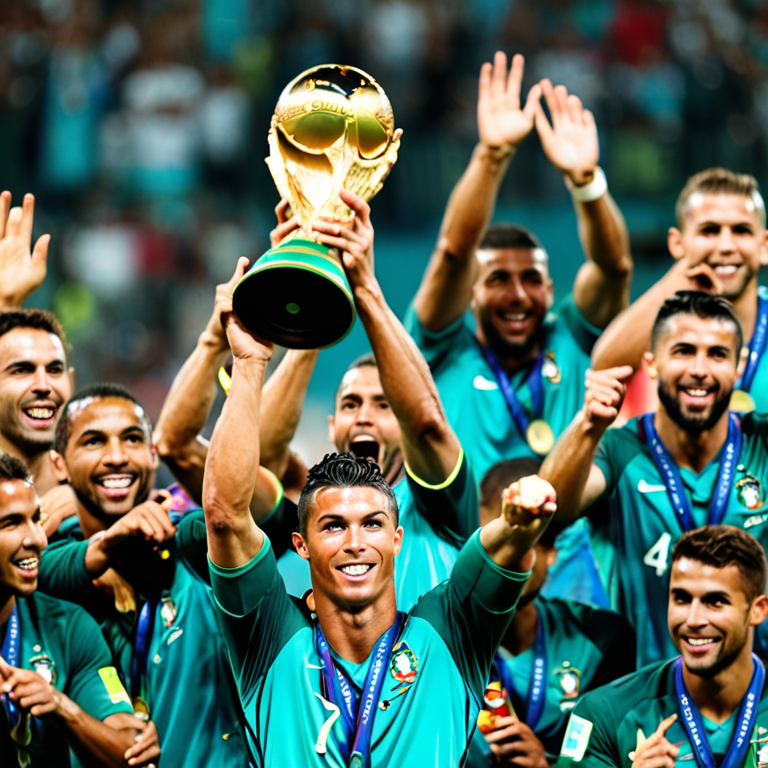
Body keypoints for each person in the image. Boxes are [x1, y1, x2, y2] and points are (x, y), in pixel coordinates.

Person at [200, 282, 559, 767]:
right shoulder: (268, 637)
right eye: (332, 527)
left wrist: (516, 523)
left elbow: (495, 550)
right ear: (301, 545)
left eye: (371, 524)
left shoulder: (449, 634)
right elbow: (224, 515)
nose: (354, 543)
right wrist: (247, 364)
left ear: (396, 539)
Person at [159, 191, 479, 610]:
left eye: (383, 405)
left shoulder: (441, 506)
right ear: (332, 426)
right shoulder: (313, 513)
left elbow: (426, 423)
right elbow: (264, 455)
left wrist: (363, 287)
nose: (363, 417)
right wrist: (311, 291)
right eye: (350, 404)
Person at [406, 51, 633, 478]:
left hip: (567, 544)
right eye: (498, 279)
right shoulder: (439, 347)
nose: (517, 294)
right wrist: (492, 155)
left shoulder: (569, 337)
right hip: (471, 544)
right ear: (470, 294)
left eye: (532, 279)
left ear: (550, 290)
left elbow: (614, 267)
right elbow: (454, 251)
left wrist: (586, 183)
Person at [540, 291, 768, 667]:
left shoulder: (761, 444)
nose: (699, 368)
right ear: (651, 364)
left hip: (756, 709)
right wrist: (587, 425)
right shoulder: (619, 450)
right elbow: (553, 509)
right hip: (645, 704)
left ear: (739, 366)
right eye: (682, 351)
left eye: (717, 354)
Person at [35, 383, 251, 767]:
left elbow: (250, 512)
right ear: (58, 465)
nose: (116, 457)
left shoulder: (194, 544)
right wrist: (106, 544)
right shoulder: (44, 561)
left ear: (152, 455)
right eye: (93, 442)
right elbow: (39, 572)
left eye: (132, 439)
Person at [467, 458, 636, 767]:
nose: (513, 554)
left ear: (554, 550)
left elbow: (616, 756)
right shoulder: (440, 644)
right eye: (501, 538)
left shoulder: (604, 637)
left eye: (531, 539)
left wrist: (547, 764)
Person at [556, 525, 768, 767]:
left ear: (757, 610)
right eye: (682, 598)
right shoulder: (603, 715)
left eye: (715, 601)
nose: (693, 620)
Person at [0, 452, 160, 768]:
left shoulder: (71, 628)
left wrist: (59, 705)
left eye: (36, 518)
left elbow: (133, 751)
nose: (38, 538)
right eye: (11, 523)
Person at [592, 168, 768, 414]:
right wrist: (670, 284)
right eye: (709, 230)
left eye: (741, 230)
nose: (726, 246)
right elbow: (604, 368)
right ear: (677, 243)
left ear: (764, 245)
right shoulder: (667, 326)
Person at [0, 309, 78, 536]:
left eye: (54, 370)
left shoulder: (97, 482)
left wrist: (88, 503)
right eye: (22, 370)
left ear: (70, 382)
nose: (43, 385)